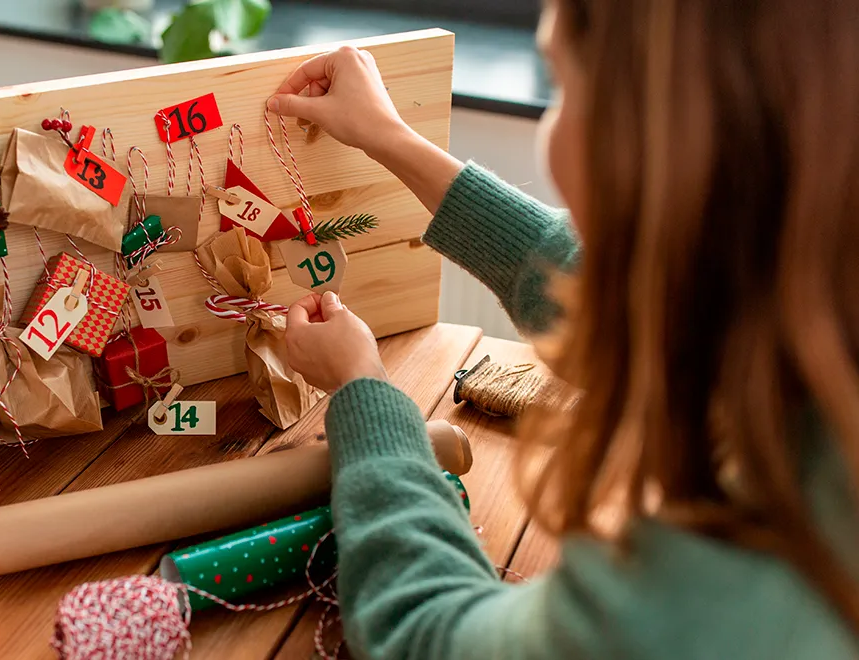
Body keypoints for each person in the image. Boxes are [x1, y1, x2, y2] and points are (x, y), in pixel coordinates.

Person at [273, 0, 859, 657]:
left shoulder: (720, 586)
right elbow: (631, 303)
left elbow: (427, 634)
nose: (551, 141)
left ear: (669, 140)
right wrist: (388, 136)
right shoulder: (814, 305)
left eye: (564, 87)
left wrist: (364, 394)